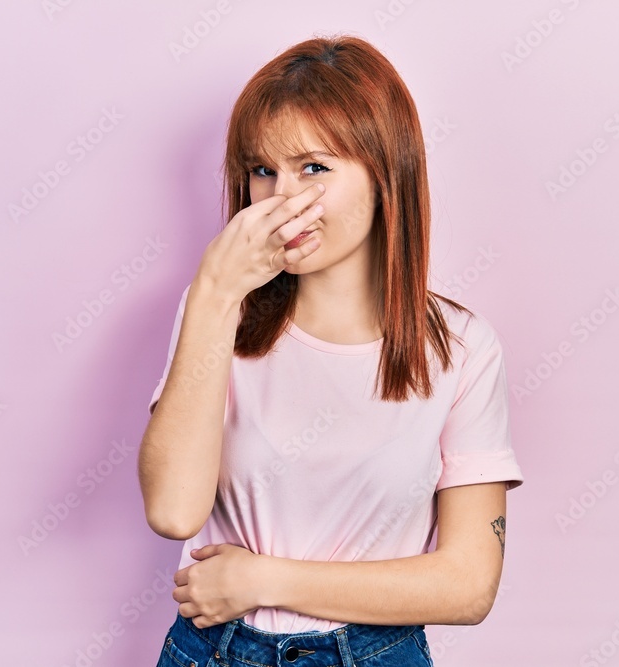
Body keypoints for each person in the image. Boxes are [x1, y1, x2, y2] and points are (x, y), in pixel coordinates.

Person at [138, 33, 524, 667]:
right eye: (264, 170)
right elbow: (175, 511)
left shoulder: (459, 348)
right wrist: (212, 293)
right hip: (213, 651)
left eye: (314, 167)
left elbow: (468, 584)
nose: (283, 199)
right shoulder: (216, 311)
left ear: (384, 173)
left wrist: (265, 580)